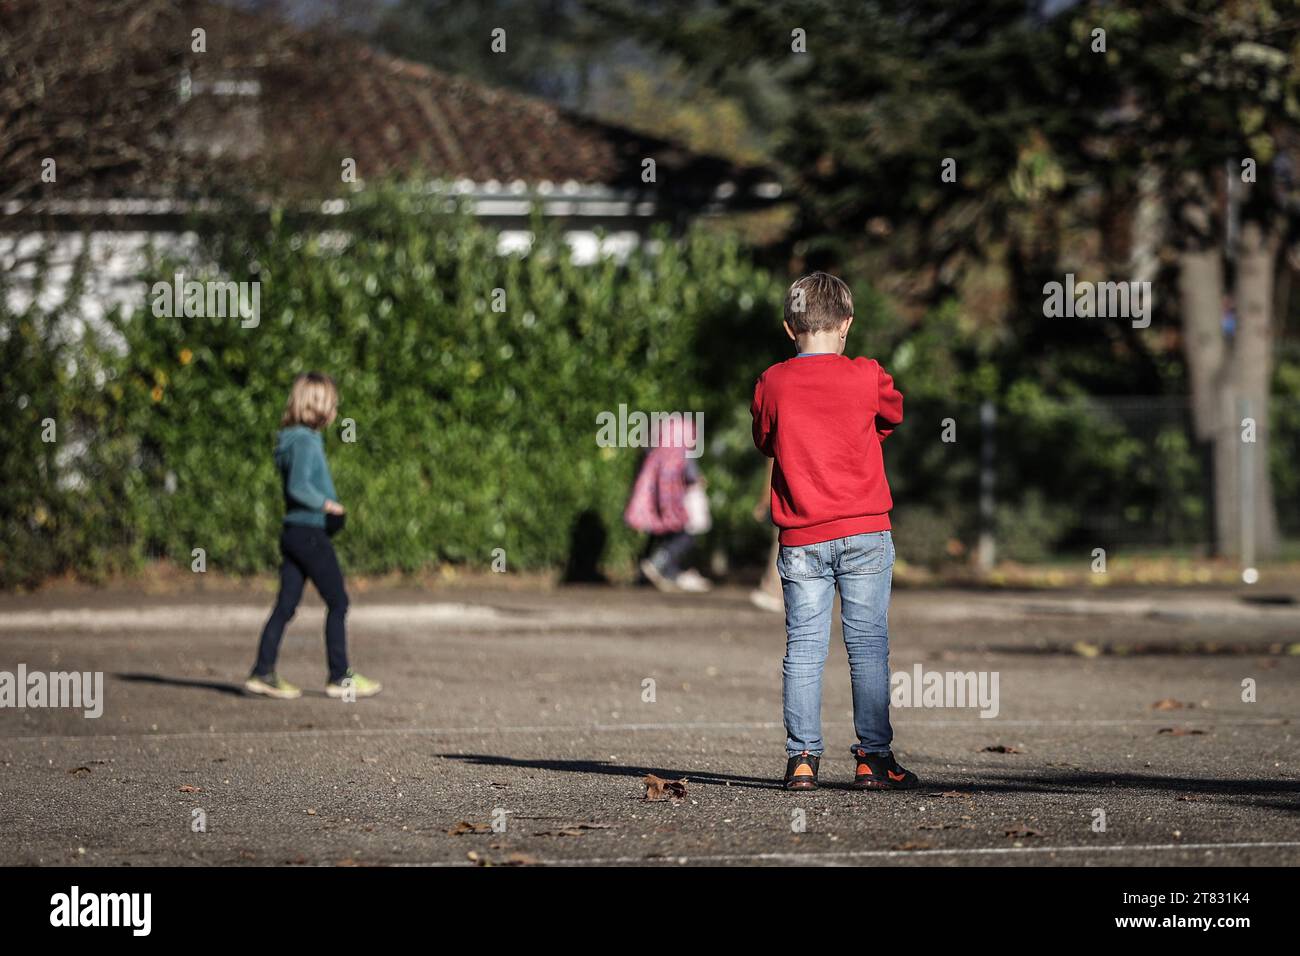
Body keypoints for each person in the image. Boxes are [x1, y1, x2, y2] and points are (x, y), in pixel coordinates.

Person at [751, 272, 917, 791]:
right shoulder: (868, 374)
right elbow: (892, 415)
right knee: (868, 645)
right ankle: (873, 758)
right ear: (846, 323)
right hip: (866, 529)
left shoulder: (773, 381)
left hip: (801, 537)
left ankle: (801, 759)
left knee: (803, 646)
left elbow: (765, 439)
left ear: (788, 327)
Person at [245, 372, 381, 700]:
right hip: (308, 534)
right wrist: (328, 505)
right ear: (315, 406)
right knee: (338, 600)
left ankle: (262, 672)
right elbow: (299, 487)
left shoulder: (290, 438)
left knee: (286, 606)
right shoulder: (305, 440)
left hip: (293, 532)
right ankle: (339, 676)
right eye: (330, 403)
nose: (333, 410)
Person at [623, 415, 712, 593]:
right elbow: (692, 476)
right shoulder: (682, 454)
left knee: (663, 536)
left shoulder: (655, 454)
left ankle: (664, 572)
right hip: (677, 506)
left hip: (658, 507)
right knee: (685, 536)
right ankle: (657, 564)